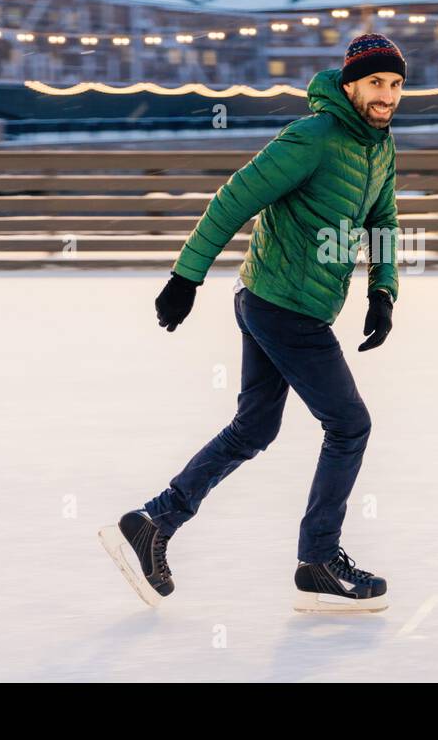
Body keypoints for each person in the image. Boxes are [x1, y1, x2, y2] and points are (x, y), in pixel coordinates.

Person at [109, 33, 404, 614]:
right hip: (282, 306)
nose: (387, 95)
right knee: (349, 425)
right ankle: (318, 559)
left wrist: (384, 291)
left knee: (254, 430)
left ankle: (153, 523)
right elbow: (233, 199)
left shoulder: (380, 145)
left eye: (396, 84)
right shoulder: (312, 137)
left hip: (285, 302)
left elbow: (383, 218)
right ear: (350, 85)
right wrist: (185, 277)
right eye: (376, 83)